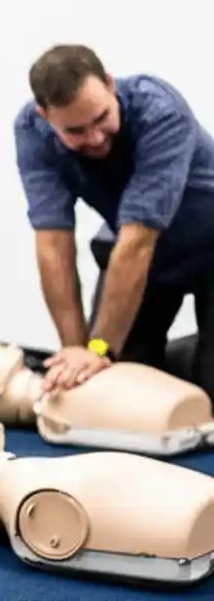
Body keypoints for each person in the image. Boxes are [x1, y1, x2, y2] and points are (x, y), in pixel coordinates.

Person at [14, 43, 214, 397]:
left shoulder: (161, 112)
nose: (95, 138)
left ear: (109, 85)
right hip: (147, 257)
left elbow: (137, 242)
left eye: (101, 119)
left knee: (209, 388)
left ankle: (199, 357)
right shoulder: (33, 132)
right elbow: (52, 244)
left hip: (201, 244)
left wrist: (99, 348)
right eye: (76, 131)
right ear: (45, 116)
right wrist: (75, 353)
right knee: (112, 385)